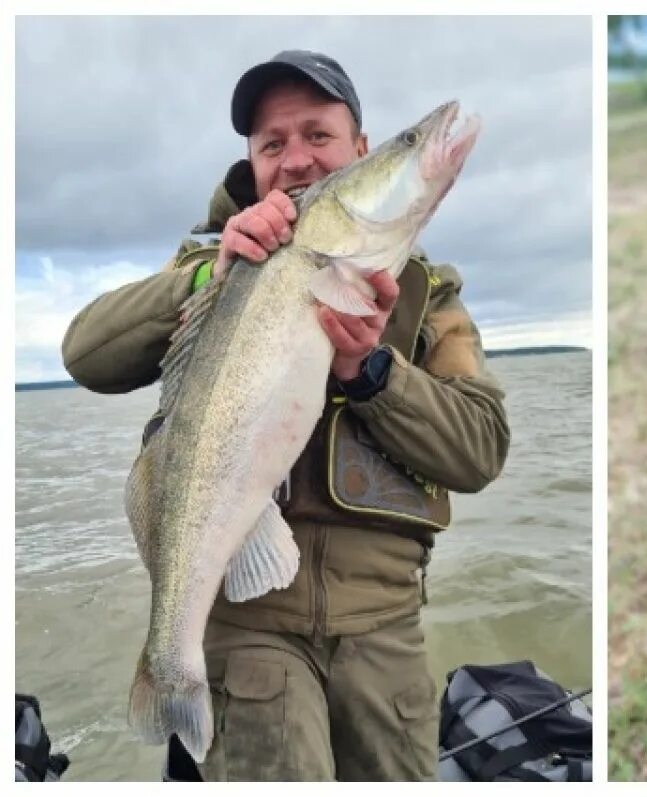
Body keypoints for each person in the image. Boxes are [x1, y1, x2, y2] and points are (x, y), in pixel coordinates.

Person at [61, 50, 510, 781]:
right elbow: (84, 354)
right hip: (248, 634)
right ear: (250, 161)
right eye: (272, 143)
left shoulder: (430, 297)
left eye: (319, 136)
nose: (296, 158)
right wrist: (208, 276)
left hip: (383, 635)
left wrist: (371, 373)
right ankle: (170, 667)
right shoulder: (208, 264)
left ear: (360, 151)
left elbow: (482, 451)